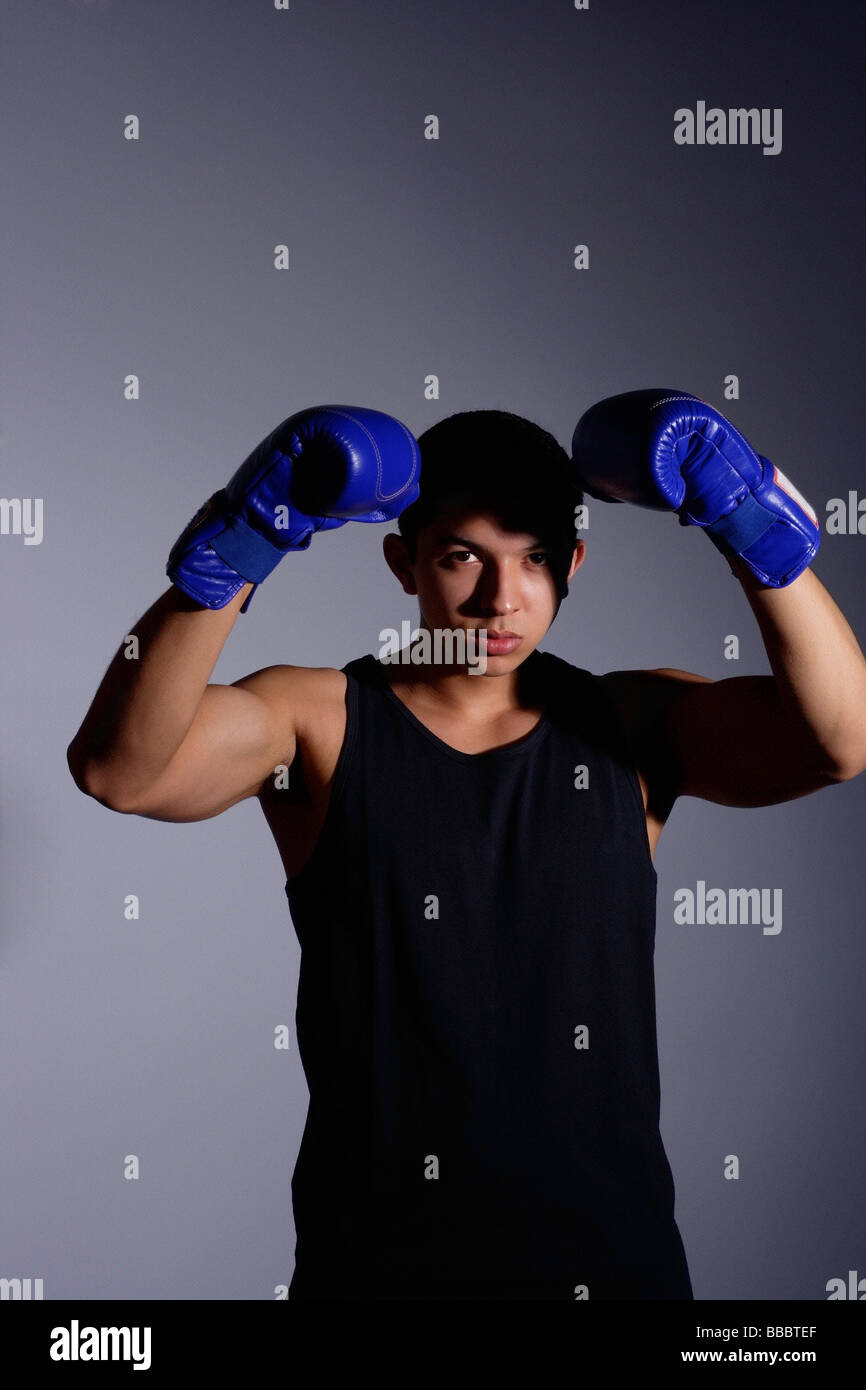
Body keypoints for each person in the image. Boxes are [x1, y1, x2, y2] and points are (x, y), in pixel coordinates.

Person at [67, 394, 866, 1301]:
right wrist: (245, 541)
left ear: (575, 564)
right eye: (462, 557)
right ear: (402, 561)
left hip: (615, 1275)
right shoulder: (317, 720)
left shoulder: (630, 723)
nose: (500, 598)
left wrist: (749, 517)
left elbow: (841, 740)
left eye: (533, 561)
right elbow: (119, 772)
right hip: (377, 1276)